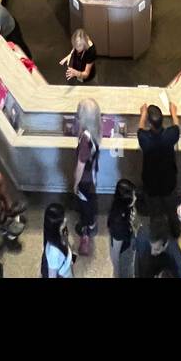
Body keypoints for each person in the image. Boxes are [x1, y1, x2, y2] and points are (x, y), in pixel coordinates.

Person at [137, 100, 180, 213]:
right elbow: (176, 126)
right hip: (169, 180)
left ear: (149, 123)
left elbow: (140, 129)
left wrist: (143, 114)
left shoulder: (145, 139)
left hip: (151, 182)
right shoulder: (170, 135)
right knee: (170, 205)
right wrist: (173, 113)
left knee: (154, 207)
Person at [72, 97, 101, 256]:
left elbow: (80, 166)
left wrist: (75, 184)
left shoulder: (85, 140)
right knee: (90, 200)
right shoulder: (96, 130)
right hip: (93, 176)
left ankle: (87, 227)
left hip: (85, 180)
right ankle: (91, 223)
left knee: (85, 205)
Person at [107, 179, 136, 277]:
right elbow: (119, 233)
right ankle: (117, 273)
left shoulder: (120, 204)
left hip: (121, 234)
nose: (135, 197)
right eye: (133, 194)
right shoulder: (118, 215)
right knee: (116, 256)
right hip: (119, 236)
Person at [41, 202, 74, 277]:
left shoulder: (59, 232)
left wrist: (70, 258)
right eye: (62, 219)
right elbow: (52, 275)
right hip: (63, 273)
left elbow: (66, 242)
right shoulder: (54, 253)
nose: (66, 219)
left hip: (65, 263)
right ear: (55, 227)